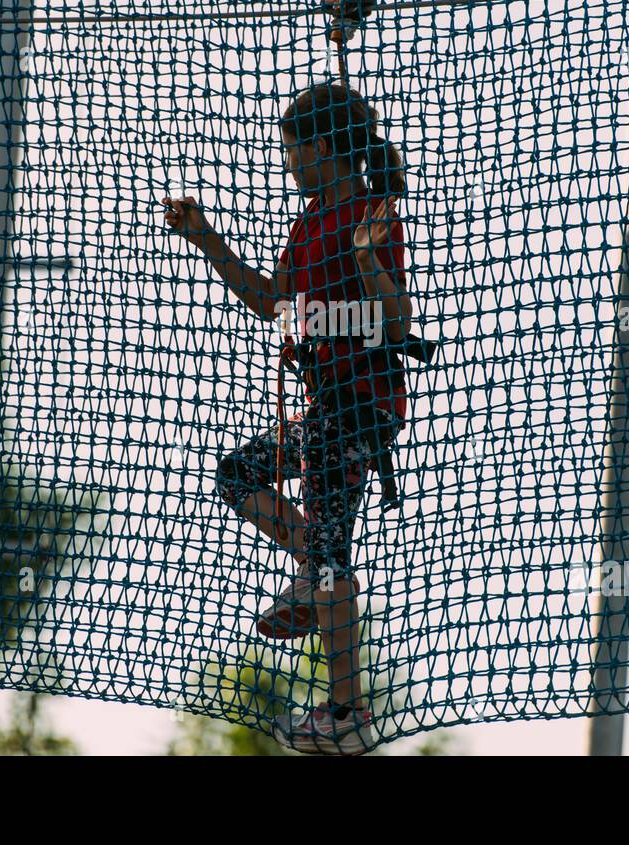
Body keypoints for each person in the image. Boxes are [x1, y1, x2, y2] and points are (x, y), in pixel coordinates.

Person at [161, 80, 412, 754]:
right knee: (240, 473)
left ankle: (346, 709)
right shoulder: (308, 223)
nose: (288, 165)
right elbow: (275, 302)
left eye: (294, 151)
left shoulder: (371, 213)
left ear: (322, 148)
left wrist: (365, 259)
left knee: (334, 554)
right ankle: (309, 564)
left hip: (360, 406)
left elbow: (398, 320)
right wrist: (206, 239)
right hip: (324, 406)